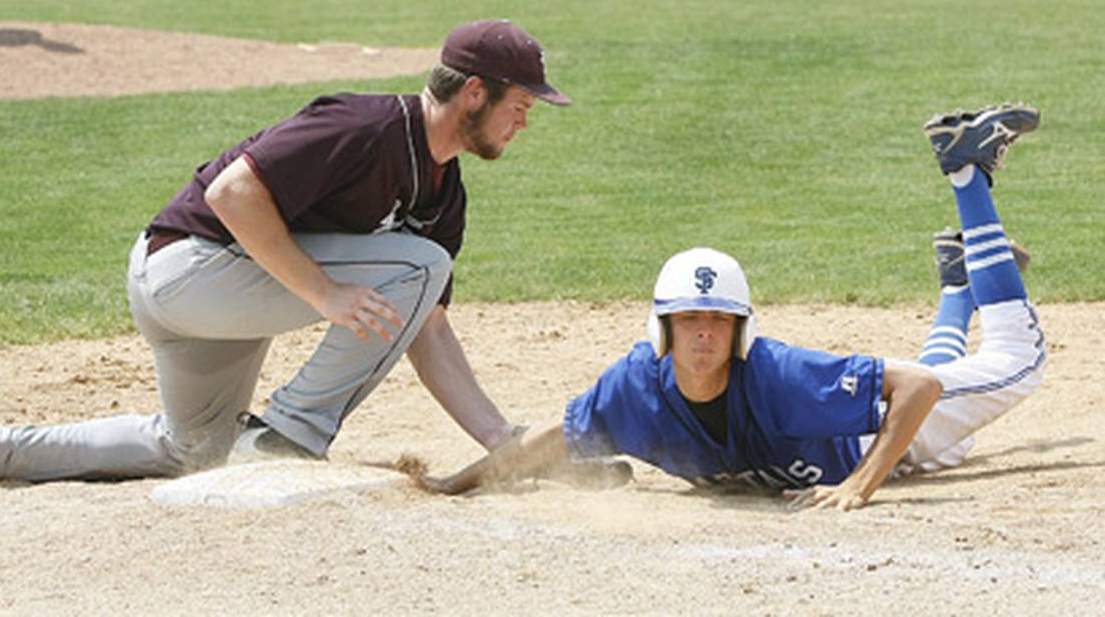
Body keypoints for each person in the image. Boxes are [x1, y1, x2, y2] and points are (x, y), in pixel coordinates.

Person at [0, 19, 571, 490]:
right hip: (189, 269)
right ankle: (289, 432)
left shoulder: (444, 193)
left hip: (217, 297)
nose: (525, 121)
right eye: (521, 104)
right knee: (420, 265)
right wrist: (325, 294)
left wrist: (500, 442)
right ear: (475, 93)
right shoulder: (364, 126)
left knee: (195, 451)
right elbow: (231, 192)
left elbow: (424, 326)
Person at [419, 103, 1047, 511]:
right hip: (892, 430)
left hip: (883, 439)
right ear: (662, 329)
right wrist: (457, 482)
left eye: (718, 319)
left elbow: (919, 388)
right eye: (690, 318)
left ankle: (966, 175)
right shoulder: (635, 388)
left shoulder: (774, 373)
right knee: (945, 398)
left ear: (741, 329)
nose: (704, 334)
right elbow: (552, 440)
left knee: (1018, 359)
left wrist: (860, 485)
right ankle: (958, 286)